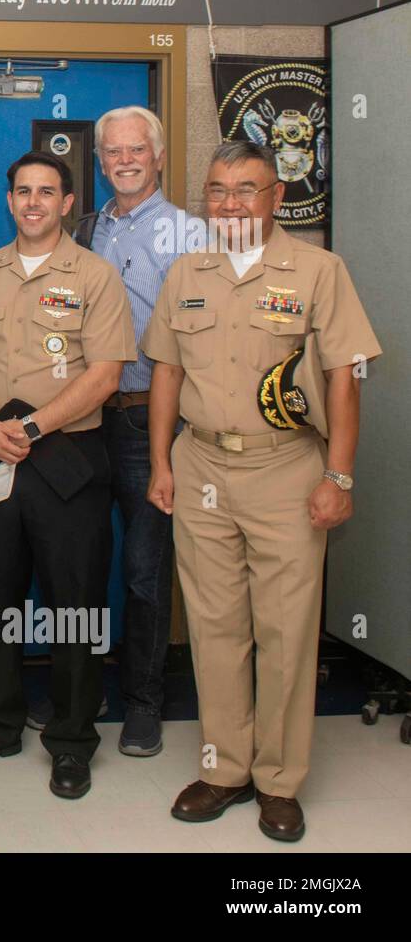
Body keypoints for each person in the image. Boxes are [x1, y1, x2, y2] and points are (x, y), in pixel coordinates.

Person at [144, 141, 381, 842]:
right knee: (215, 629)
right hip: (202, 466)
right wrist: (161, 462)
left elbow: (343, 375)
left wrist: (338, 475)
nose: (230, 203)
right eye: (217, 190)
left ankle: (279, 781)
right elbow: (165, 371)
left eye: (246, 189)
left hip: (286, 472)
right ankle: (225, 768)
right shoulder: (188, 269)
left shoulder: (317, 269)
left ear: (277, 196)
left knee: (284, 631)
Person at [0, 151, 135, 800]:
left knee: (74, 605)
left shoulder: (96, 275)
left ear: (67, 201)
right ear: (9, 198)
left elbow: (104, 375)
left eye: (46, 192)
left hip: (66, 459)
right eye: (22, 190)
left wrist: (29, 427)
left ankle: (73, 739)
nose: (32, 202)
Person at [68, 106, 182, 756]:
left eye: (137, 148)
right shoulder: (86, 228)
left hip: (148, 418)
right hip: (83, 418)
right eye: (113, 151)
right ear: (101, 161)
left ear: (159, 156)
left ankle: (143, 698)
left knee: (144, 568)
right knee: (79, 563)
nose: (125, 159)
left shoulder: (189, 233)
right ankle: (85, 690)